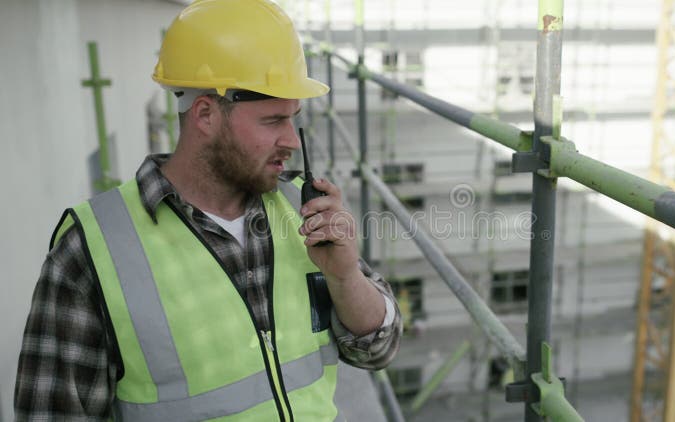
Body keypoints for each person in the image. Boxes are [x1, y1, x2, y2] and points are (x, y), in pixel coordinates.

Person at [14, 0, 401, 420]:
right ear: (206, 115)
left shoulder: (302, 208)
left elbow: (377, 350)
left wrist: (344, 276)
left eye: (294, 118)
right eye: (272, 120)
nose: (291, 140)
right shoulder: (91, 248)